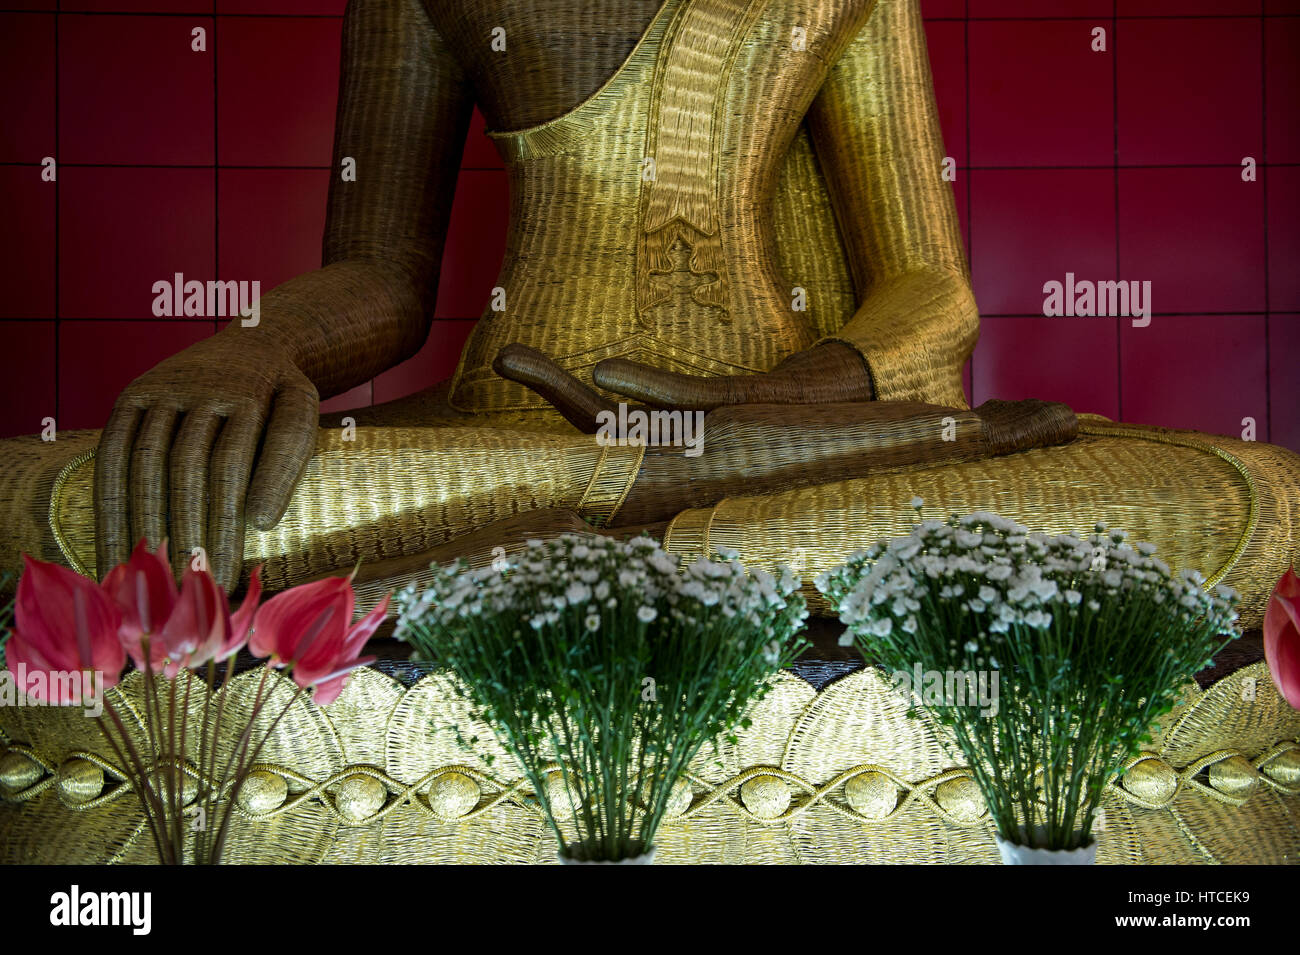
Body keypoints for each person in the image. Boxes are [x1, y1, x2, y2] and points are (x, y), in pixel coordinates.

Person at [2, 0, 1295, 627]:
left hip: (783, 455)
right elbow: (387, 280)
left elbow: (932, 292)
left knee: (1241, 503)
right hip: (517, 448)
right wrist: (261, 343)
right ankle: (644, 519)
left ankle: (632, 523)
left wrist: (762, 410)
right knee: (83, 501)